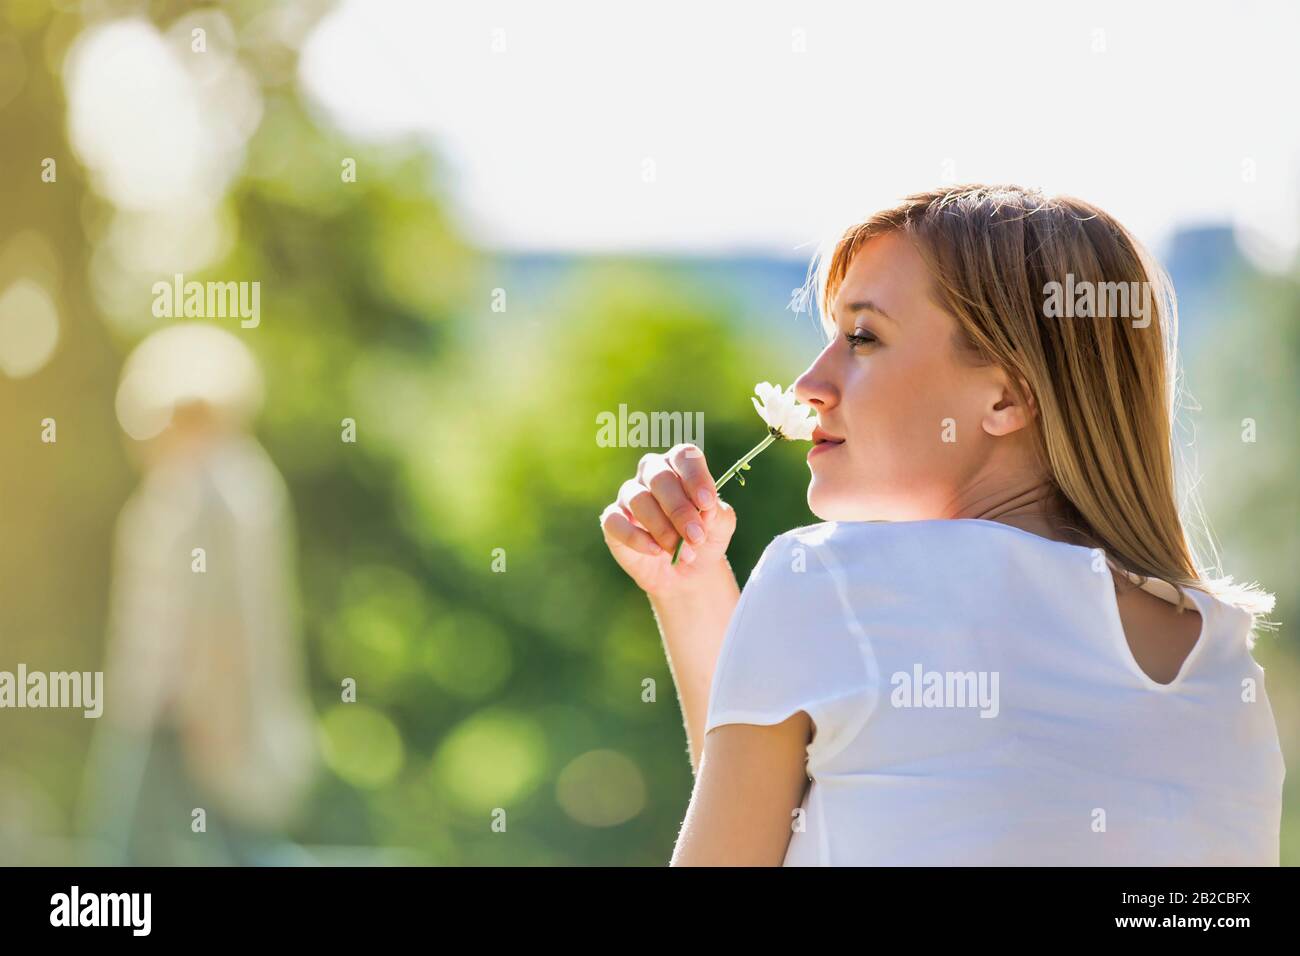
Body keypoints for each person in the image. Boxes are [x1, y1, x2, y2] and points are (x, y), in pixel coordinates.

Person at [598, 184, 1285, 866]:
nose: (810, 382)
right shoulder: (1226, 669)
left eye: (863, 338)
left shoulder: (829, 582)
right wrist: (692, 593)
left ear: (1006, 396)